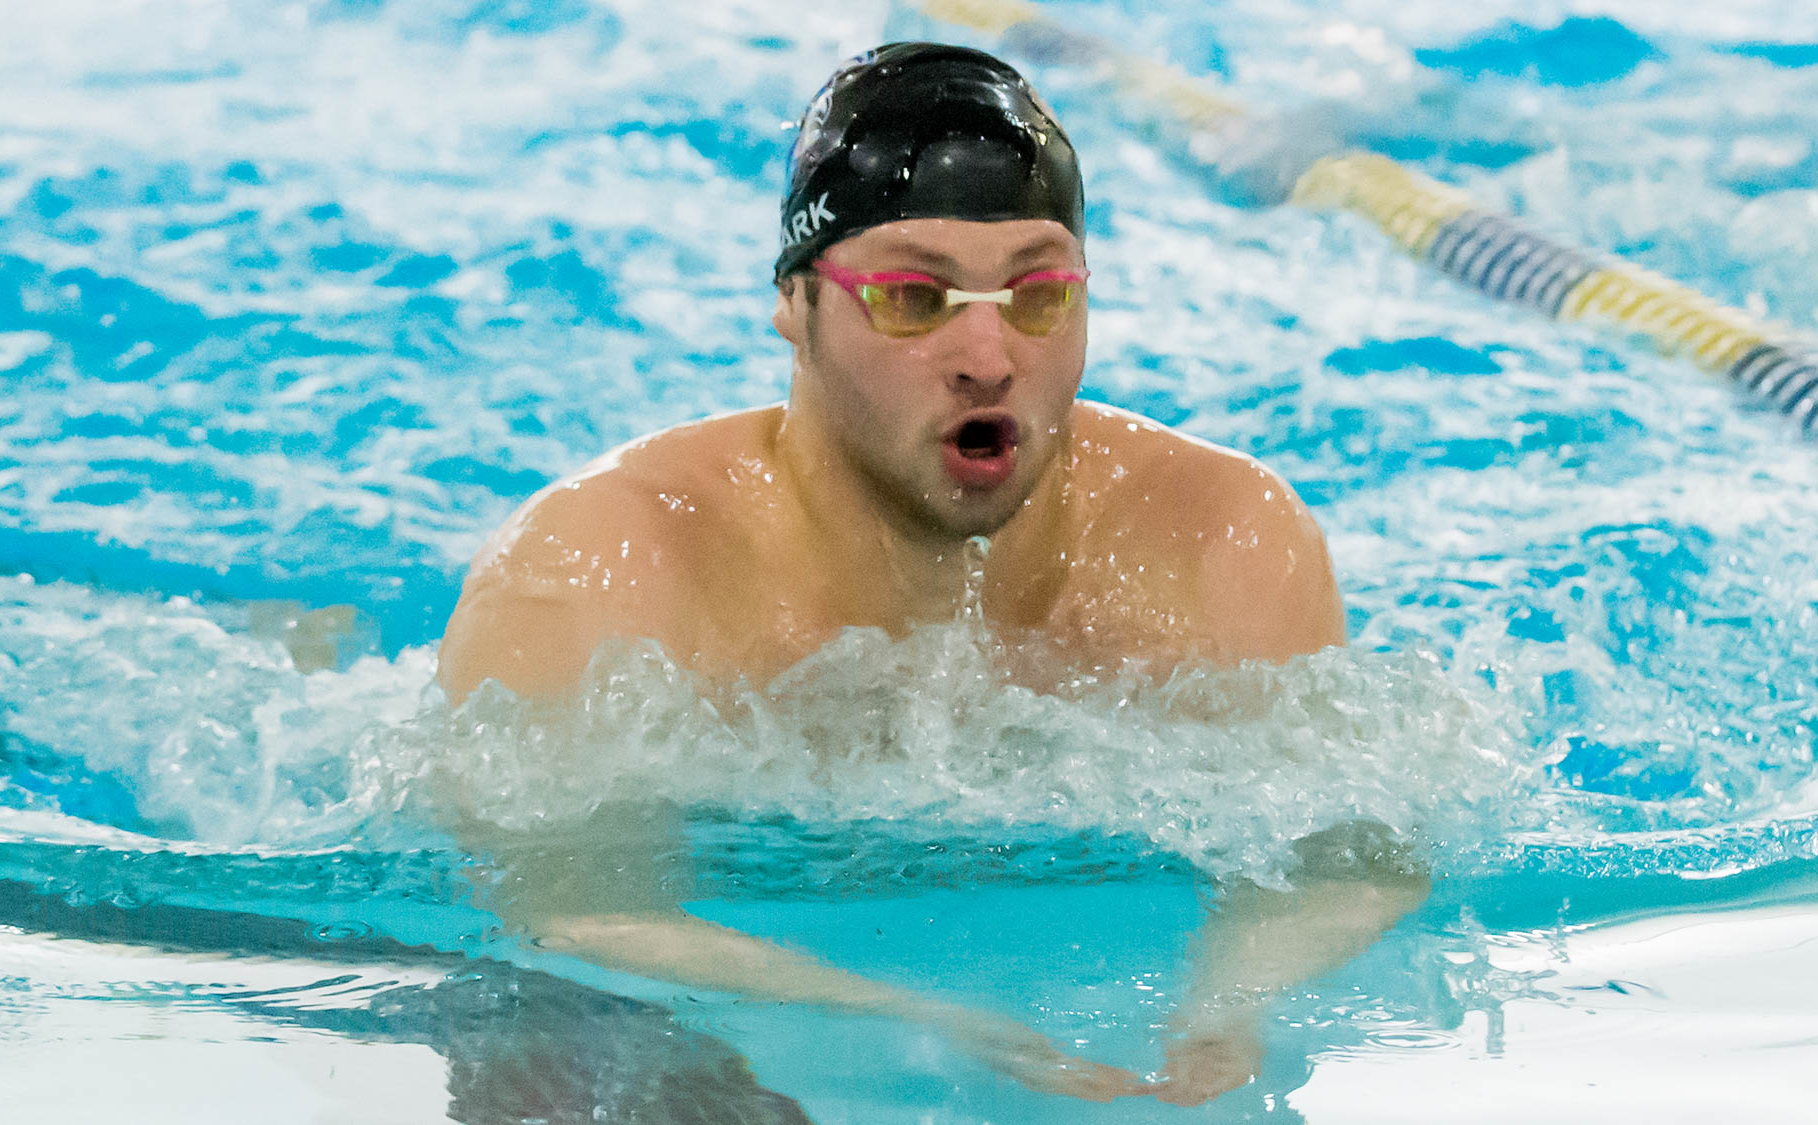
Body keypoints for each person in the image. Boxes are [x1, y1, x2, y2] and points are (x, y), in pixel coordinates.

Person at [437, 42, 1423, 1107]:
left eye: (1038, 294)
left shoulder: (1224, 542)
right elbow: (570, 919)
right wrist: (910, 1023)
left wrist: (1227, 1015)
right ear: (795, 307)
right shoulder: (605, 569)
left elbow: (1346, 859)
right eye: (914, 297)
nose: (990, 357)